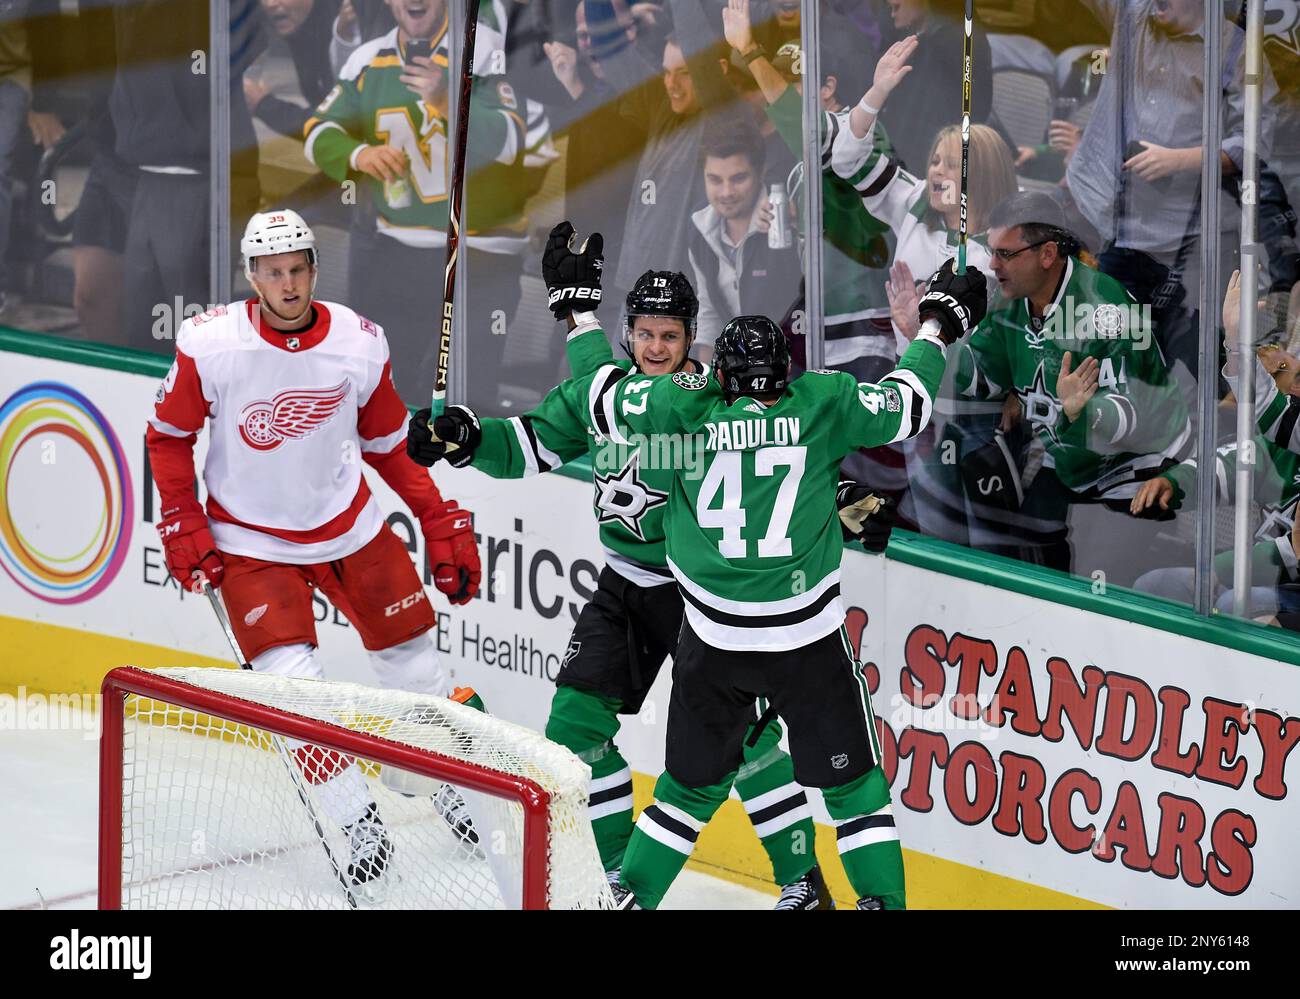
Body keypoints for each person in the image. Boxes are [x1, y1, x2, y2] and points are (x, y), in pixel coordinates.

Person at [409, 222, 853, 909]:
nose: (655, 347)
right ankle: (617, 873)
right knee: (574, 727)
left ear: (689, 342)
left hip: (704, 597)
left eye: (669, 336)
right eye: (644, 333)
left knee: (749, 743)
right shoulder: (606, 391)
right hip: (625, 585)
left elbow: (780, 445)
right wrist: (466, 437)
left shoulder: (706, 400)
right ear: (630, 336)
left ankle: (804, 879)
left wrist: (837, 490)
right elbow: (531, 444)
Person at [594, 258, 988, 910]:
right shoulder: (824, 401)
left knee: (687, 792)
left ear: (721, 376)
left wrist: (589, 326)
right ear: (786, 371)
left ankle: (628, 896)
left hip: (713, 645)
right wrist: (937, 328)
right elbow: (907, 404)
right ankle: (882, 903)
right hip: (807, 646)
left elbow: (626, 396)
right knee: (855, 790)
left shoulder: (678, 407)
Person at [145, 210, 483, 896]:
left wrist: (436, 513)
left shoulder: (358, 343)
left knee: (418, 667)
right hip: (250, 543)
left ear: (313, 269)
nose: (288, 282)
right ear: (251, 276)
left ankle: (433, 776)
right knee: (298, 697)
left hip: (350, 527)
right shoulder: (211, 344)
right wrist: (182, 515)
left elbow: (388, 442)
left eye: (298, 267)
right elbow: (168, 434)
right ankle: (354, 817)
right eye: (273, 271)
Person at [952, 191, 1191, 575]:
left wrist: (1084, 410)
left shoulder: (1105, 311)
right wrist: (932, 339)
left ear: (1047, 254)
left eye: (1005, 254)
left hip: (1138, 471)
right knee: (1019, 560)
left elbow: (1130, 421)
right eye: (991, 250)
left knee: (1092, 588)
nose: (993, 264)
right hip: (1069, 464)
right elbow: (982, 379)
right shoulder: (1010, 300)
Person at [304, 0, 526, 405]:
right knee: (387, 390)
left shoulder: (483, 51)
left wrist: (448, 100)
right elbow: (318, 131)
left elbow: (510, 141)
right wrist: (359, 155)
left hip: (478, 255)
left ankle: (463, 469)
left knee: (465, 399)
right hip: (396, 252)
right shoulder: (367, 60)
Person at [1064, 0, 1279, 381]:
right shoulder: (1133, 14)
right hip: (1111, 221)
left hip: (1182, 244)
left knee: (1194, 373)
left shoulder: (1235, 49)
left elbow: (1255, 142)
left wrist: (1179, 160)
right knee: (1104, 355)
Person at [688, 119, 800, 350]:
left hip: (796, 366)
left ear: (760, 173)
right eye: (715, 180)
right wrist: (707, 382)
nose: (726, 192)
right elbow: (709, 316)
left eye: (738, 178)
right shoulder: (700, 230)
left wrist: (799, 226)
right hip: (738, 370)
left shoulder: (785, 217)